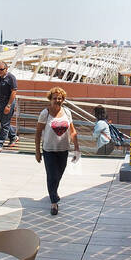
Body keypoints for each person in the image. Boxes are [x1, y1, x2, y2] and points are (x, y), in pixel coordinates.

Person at [33, 86, 78, 215]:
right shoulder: (45, 113)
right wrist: (37, 152)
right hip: (49, 150)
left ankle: (53, 192)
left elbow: (73, 131)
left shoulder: (67, 112)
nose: (57, 100)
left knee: (58, 175)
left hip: (63, 150)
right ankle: (54, 202)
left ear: (63, 99)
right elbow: (37, 133)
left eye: (60, 98)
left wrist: (77, 149)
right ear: (50, 99)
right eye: (55, 98)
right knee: (52, 175)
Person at [0, 59, 20, 147]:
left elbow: (14, 92)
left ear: (6, 69)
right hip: (0, 102)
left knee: (4, 125)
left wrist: (9, 105)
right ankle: (13, 137)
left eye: (1, 69)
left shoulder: (11, 77)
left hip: (8, 103)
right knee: (4, 122)